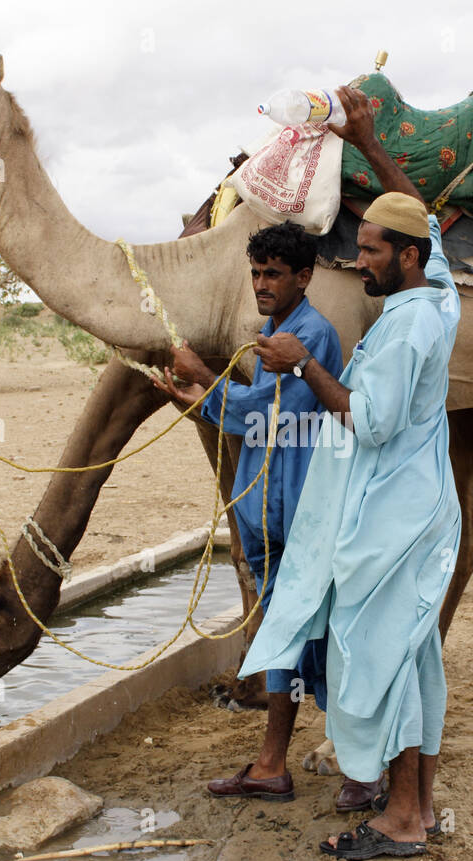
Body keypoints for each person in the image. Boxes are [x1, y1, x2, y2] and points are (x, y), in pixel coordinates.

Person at [239, 85, 463, 860]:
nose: (357, 260)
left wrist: (302, 364)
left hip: (394, 520)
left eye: (370, 251)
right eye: (357, 246)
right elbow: (423, 216)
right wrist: (368, 142)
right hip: (417, 509)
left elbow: (367, 422)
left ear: (404, 260)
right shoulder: (439, 297)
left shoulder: (405, 331)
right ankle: (420, 808)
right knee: (414, 660)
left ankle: (399, 818)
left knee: (384, 662)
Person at [150, 221, 348, 804]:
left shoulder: (309, 338)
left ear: (304, 277)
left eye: (273, 274)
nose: (261, 283)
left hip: (298, 516)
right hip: (269, 515)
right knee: (285, 639)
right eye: (256, 273)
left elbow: (266, 410)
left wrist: (205, 379)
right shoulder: (271, 333)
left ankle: (327, 762)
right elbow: (253, 420)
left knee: (311, 639)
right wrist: (203, 396)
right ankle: (276, 763)